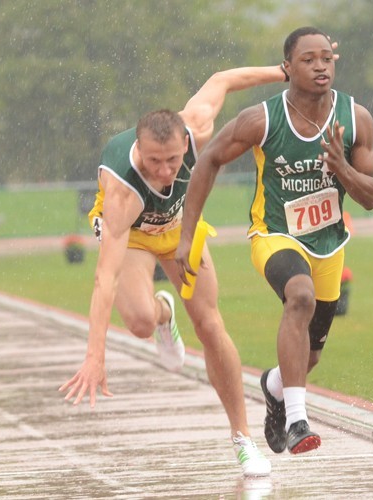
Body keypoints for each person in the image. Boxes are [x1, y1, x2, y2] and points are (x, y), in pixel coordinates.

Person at [58, 65, 290, 477]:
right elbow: (104, 280)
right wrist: (95, 356)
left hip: (180, 228)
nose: (165, 171)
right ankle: (164, 314)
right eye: (153, 162)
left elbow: (222, 80)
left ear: (186, 141)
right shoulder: (122, 191)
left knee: (210, 324)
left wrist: (282, 71)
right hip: (132, 235)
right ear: (139, 152)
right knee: (141, 323)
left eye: (172, 161)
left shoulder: (197, 127)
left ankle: (243, 438)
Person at [174, 27, 373, 456]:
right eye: (308, 59)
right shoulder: (262, 119)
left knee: (309, 357)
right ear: (287, 68)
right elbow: (209, 159)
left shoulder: (355, 117)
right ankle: (298, 420)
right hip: (275, 234)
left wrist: (341, 167)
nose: (320, 65)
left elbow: (372, 196)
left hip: (328, 242)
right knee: (300, 298)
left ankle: (273, 387)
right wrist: (187, 233)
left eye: (327, 57)